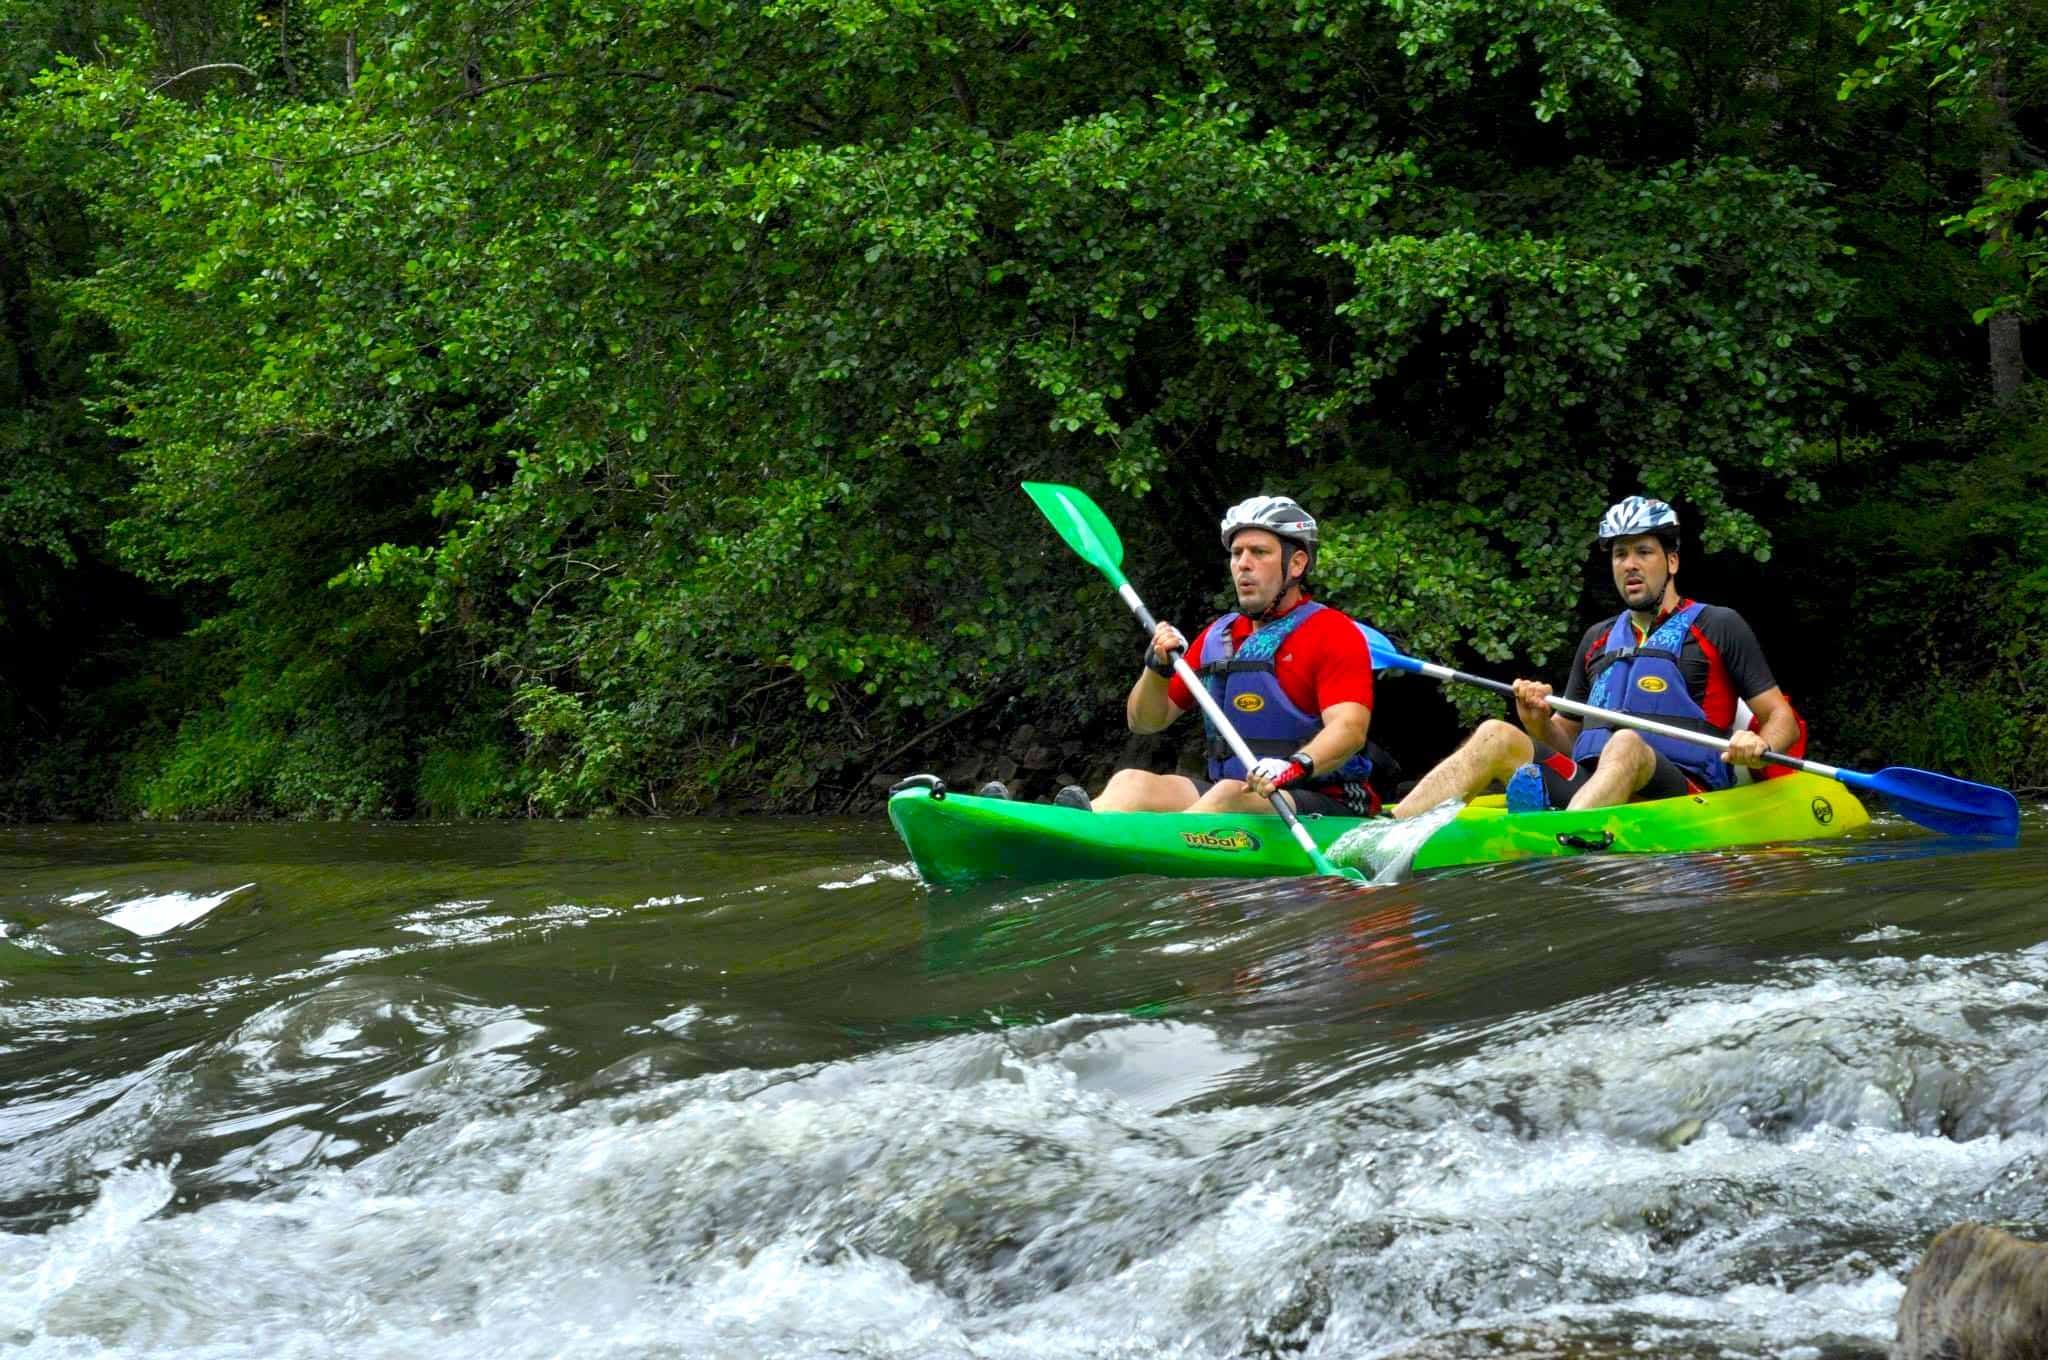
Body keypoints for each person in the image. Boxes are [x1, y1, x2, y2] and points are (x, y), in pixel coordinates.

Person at [1392, 496, 1803, 818]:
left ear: (1672, 561)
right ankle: (1387, 834)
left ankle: (1566, 838)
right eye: (1620, 554)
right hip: (1590, 785)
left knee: (1625, 743)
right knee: (1494, 733)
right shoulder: (1598, 638)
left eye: (1644, 551)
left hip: (1682, 793)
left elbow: (1778, 715)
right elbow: (1566, 739)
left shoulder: (1717, 625)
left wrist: (1758, 743)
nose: (1630, 565)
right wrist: (1535, 720)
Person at [1012, 494, 1380, 816]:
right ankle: (1074, 832)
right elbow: (1145, 722)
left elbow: (1349, 730)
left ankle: (1148, 846)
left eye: (1259, 553)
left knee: (1227, 795)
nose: (1243, 564)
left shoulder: (1333, 632)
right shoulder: (1217, 637)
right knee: (1131, 782)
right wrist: (1156, 668)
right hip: (1239, 794)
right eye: (1236, 554)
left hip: (1325, 801)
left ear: (1296, 564)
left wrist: (1293, 767)